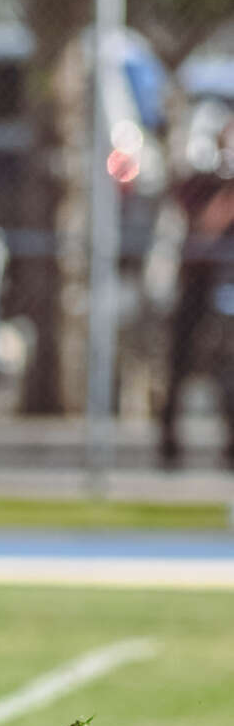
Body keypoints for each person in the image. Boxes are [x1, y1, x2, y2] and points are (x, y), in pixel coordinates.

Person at [159, 110, 234, 469]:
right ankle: (169, 439)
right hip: (197, 284)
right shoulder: (202, 182)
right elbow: (203, 223)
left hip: (227, 285)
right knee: (181, 359)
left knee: (228, 367)